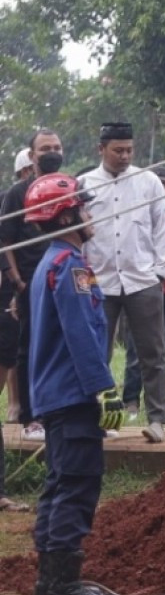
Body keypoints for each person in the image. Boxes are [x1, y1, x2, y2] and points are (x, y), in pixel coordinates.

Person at [25, 172, 123, 595]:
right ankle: (64, 590)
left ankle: (49, 589)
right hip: (74, 394)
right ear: (66, 216)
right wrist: (104, 388)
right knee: (78, 485)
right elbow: (81, 332)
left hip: (58, 393)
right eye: (82, 207)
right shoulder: (69, 266)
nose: (89, 213)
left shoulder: (51, 263)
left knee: (59, 485)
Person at [80, 122, 165, 444]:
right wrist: (82, 279)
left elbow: (163, 226)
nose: (124, 156)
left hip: (142, 279)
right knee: (97, 353)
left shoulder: (148, 182)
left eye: (128, 150)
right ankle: (97, 419)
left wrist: (160, 271)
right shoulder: (84, 184)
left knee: (153, 353)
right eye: (117, 150)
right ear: (101, 149)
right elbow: (78, 235)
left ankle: (158, 419)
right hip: (98, 282)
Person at [1, 128, 67, 442]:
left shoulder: (69, 186)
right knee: (28, 349)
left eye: (56, 147)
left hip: (66, 281)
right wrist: (17, 282)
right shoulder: (17, 193)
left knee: (66, 345)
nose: (51, 152)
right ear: (32, 155)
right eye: (45, 148)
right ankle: (30, 417)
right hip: (30, 284)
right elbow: (5, 240)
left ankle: (63, 413)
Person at [121, 166, 165, 419]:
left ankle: (159, 403)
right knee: (136, 347)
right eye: (157, 181)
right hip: (143, 287)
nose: (161, 186)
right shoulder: (136, 214)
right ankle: (130, 400)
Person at [3, 150, 33, 424]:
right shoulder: (13, 196)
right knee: (14, 345)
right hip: (14, 282)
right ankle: (15, 403)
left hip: (24, 280)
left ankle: (21, 403)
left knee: (16, 344)